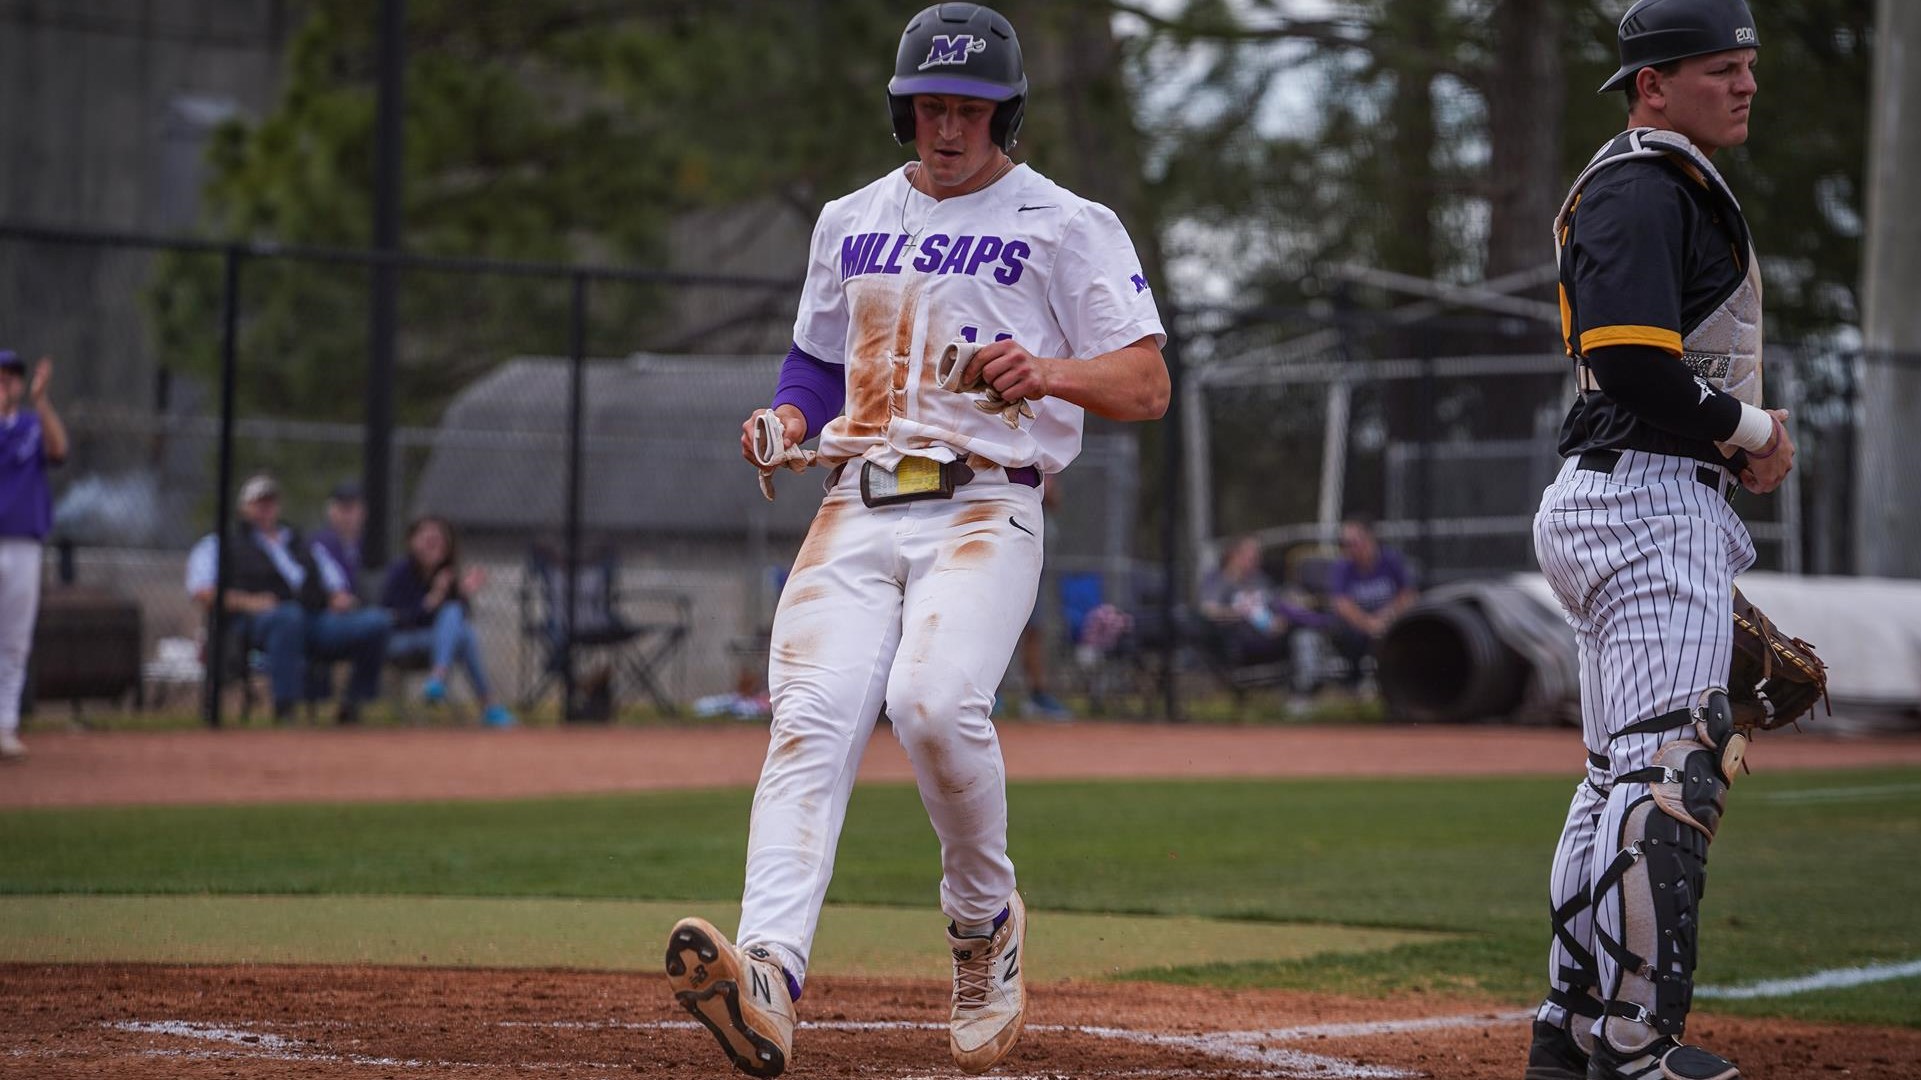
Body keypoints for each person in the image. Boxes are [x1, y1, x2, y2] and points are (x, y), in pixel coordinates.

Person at [664, 6, 1169, 1077]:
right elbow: (814, 363)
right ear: (904, 112)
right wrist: (785, 419)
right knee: (808, 723)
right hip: (854, 500)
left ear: (1004, 114)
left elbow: (1146, 381)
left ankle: (983, 925)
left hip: (987, 502)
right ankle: (767, 976)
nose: (947, 127)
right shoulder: (850, 218)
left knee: (933, 704)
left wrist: (1048, 371)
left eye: (969, 110)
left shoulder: (1066, 222)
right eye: (930, 107)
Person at [1526, 3, 1787, 1079]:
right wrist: (1753, 431)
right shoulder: (1643, 184)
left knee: (1616, 778)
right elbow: (1630, 360)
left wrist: (1725, 442)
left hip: (1629, 491)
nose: (1744, 84)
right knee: (1672, 770)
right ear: (1652, 84)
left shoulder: (1655, 181)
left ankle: (1571, 1027)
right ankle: (1634, 1043)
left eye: (1747, 66)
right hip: (1647, 498)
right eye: (1720, 68)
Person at [186, 473, 392, 724]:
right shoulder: (220, 544)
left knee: (377, 622)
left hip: (313, 619)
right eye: (259, 503)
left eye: (271, 502)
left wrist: (338, 598)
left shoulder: (299, 542)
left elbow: (335, 583)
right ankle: (286, 708)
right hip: (254, 623)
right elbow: (202, 592)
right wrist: (248, 602)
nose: (266, 509)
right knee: (288, 617)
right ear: (243, 508)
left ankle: (354, 703)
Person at [380, 515, 514, 727]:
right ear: (412, 542)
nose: (432, 546)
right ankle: (488, 706)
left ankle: (438, 679)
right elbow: (392, 620)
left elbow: (459, 619)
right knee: (464, 634)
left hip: (436, 644)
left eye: (438, 541)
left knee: (461, 626)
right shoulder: (400, 573)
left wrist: (462, 593)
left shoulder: (446, 575)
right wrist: (432, 600)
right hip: (399, 641)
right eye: (427, 540)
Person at [0, 352, 68, 760]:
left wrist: (41, 401)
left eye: (12, 377)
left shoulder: (30, 426)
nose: (6, 383)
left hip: (24, 545)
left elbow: (59, 450)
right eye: (0, 376)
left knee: (14, 641)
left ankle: (4, 726)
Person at [1325, 518, 1417, 689]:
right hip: (1359, 624)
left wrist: (1387, 616)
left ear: (1369, 539)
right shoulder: (1342, 566)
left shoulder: (1391, 559)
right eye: (1344, 544)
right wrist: (1369, 624)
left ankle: (1399, 681)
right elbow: (1341, 603)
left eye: (1352, 543)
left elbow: (1408, 595)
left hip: (1390, 618)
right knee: (1346, 632)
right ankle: (1354, 682)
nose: (1347, 548)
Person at [311, 481, 366, 594]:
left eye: (352, 509)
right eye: (342, 509)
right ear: (330, 512)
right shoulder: (318, 545)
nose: (347, 516)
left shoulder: (371, 546)